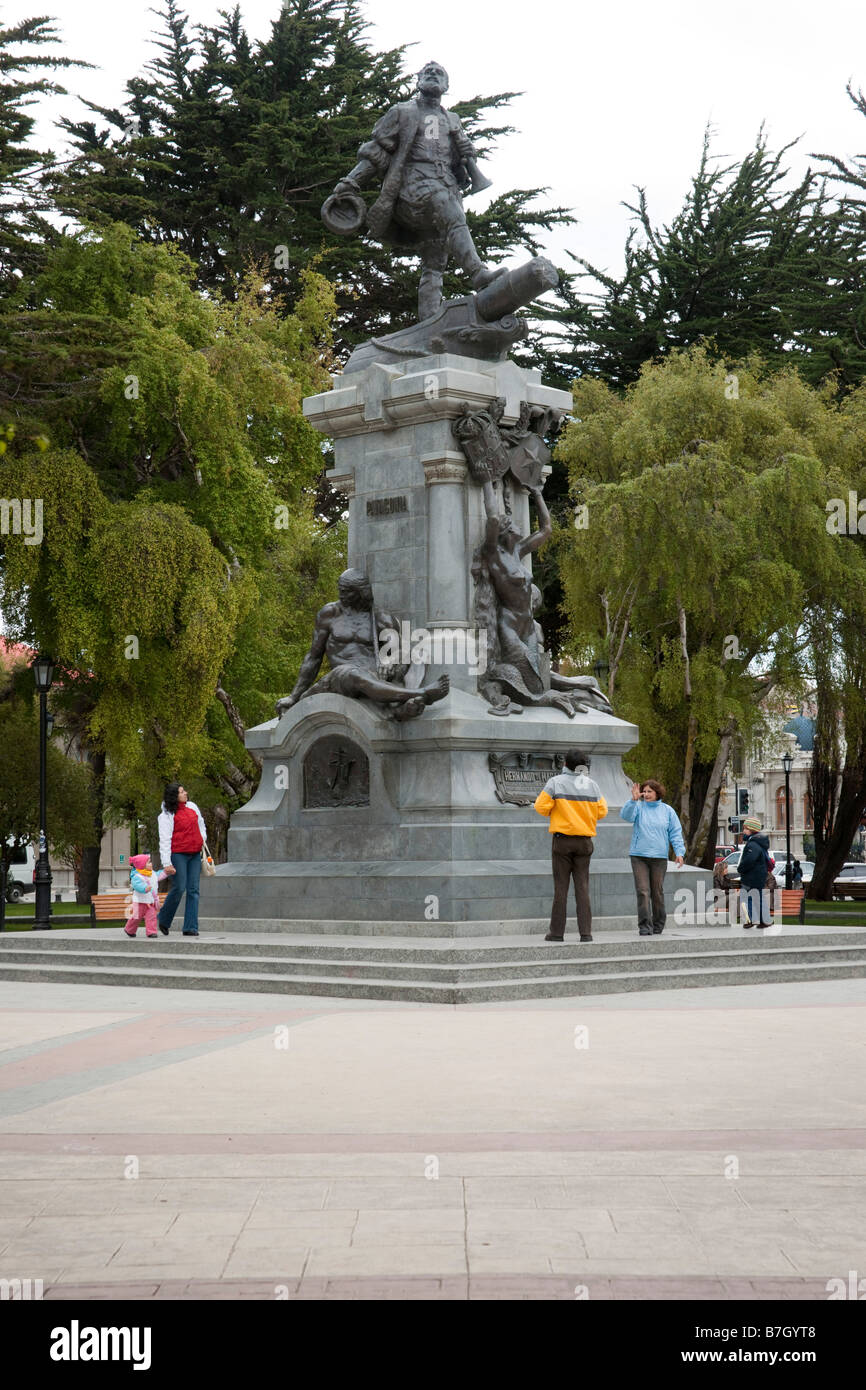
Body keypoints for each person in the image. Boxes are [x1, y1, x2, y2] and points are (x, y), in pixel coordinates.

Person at [328, 61, 505, 320]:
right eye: (428, 72)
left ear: (446, 86)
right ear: (418, 81)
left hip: (446, 188)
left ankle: (429, 323)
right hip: (413, 188)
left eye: (440, 73)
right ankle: (477, 273)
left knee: (435, 262)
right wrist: (350, 182)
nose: (433, 74)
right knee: (450, 211)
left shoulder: (451, 120)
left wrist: (464, 157)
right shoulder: (402, 112)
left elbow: (457, 169)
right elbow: (376, 152)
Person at [276, 569, 449, 721]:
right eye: (340, 589)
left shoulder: (381, 619)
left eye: (345, 591)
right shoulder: (329, 614)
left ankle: (399, 709)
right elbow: (313, 658)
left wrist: (391, 662)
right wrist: (294, 696)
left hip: (372, 679)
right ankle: (420, 694)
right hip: (341, 677)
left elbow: (400, 654)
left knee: (415, 656)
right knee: (353, 674)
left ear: (360, 593)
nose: (340, 594)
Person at [533, 749, 608, 942]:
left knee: (561, 888)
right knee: (582, 887)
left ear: (565, 764)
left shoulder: (555, 782)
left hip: (563, 841)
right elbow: (602, 811)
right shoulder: (592, 785)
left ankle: (557, 933)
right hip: (584, 841)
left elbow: (540, 807)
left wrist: (558, 811)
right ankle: (586, 933)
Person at [621, 780, 685, 937]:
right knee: (643, 891)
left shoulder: (667, 810)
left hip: (659, 857)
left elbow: (675, 832)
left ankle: (658, 924)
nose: (646, 794)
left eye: (650, 791)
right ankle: (644, 926)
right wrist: (633, 800)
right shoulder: (638, 806)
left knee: (657, 892)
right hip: (639, 856)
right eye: (644, 791)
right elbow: (626, 816)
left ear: (657, 792)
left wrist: (679, 852)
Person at [157, 783, 208, 937]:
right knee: (180, 887)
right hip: (178, 854)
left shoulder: (192, 806)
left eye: (184, 790)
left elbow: (201, 824)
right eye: (181, 792)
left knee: (194, 890)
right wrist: (167, 863)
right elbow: (165, 840)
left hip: (194, 855)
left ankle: (190, 927)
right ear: (174, 796)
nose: (185, 793)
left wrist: (201, 838)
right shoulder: (166, 815)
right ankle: (164, 919)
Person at [737, 815, 774, 928]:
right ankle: (763, 920)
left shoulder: (753, 844)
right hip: (757, 876)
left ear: (752, 830)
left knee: (747, 899)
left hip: (751, 877)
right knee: (756, 898)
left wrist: (740, 869)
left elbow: (749, 860)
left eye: (746, 829)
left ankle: (751, 920)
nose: (743, 831)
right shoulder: (758, 843)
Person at [123, 854, 167, 939]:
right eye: (149, 862)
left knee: (152, 917)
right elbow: (137, 885)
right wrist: (144, 888)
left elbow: (159, 875)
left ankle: (151, 932)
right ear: (142, 865)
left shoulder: (153, 874)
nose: (151, 864)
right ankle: (129, 929)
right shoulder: (137, 876)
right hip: (139, 901)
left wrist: (166, 872)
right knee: (136, 917)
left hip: (150, 901)